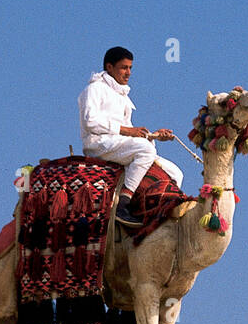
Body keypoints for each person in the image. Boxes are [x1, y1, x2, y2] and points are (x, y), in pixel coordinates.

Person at [78, 46, 182, 227]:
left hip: (116, 142)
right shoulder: (95, 89)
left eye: (130, 68)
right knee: (145, 150)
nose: (128, 73)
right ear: (109, 67)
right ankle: (122, 204)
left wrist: (154, 135)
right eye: (124, 68)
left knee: (175, 172)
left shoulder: (122, 94)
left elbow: (129, 133)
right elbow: (90, 122)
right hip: (98, 143)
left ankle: (156, 215)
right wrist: (128, 132)